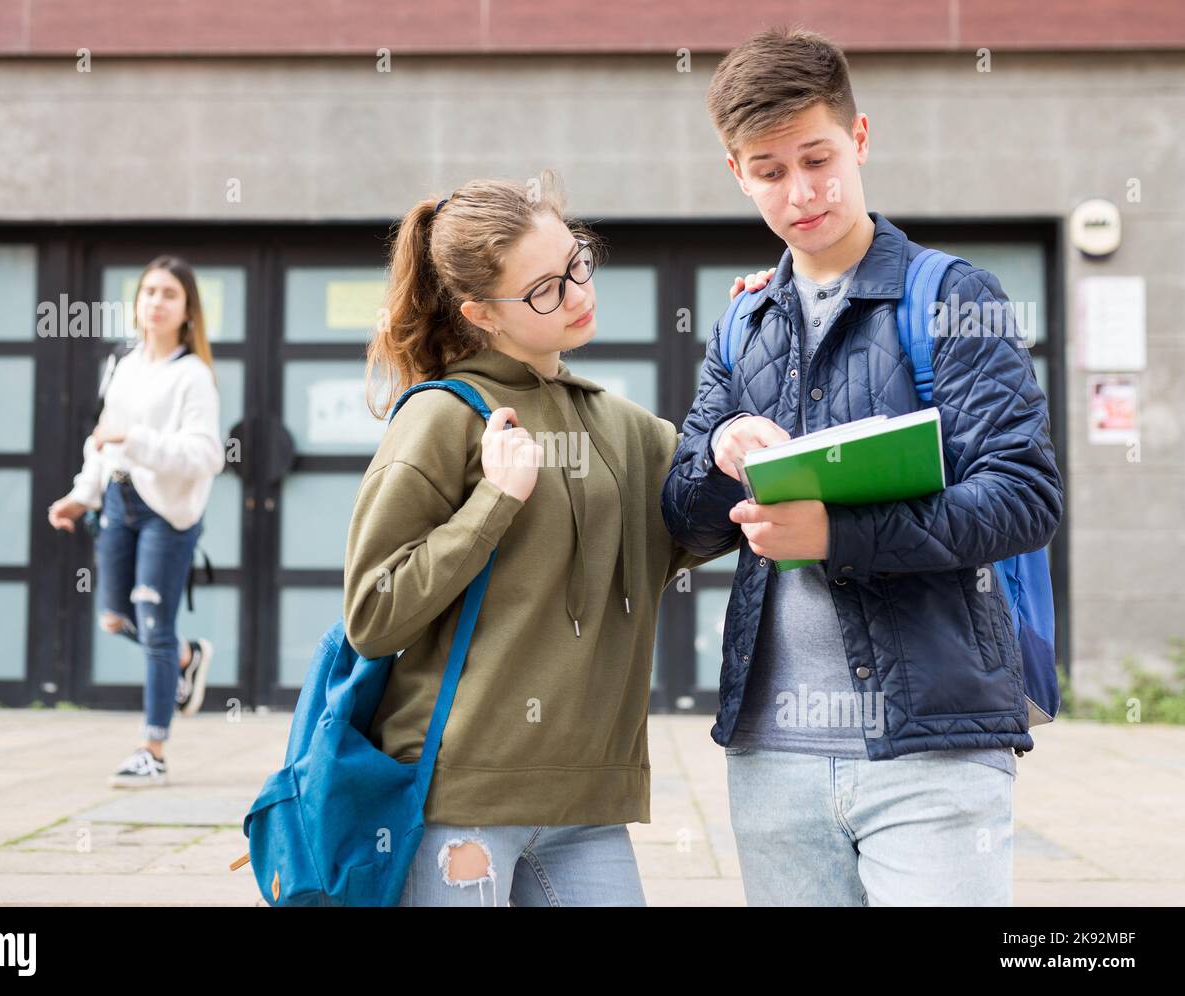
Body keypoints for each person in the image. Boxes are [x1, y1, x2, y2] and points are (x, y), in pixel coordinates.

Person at [661, 26, 1063, 906]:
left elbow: (1026, 495)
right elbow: (682, 521)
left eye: (818, 158)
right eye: (768, 172)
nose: (800, 193)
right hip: (773, 753)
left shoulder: (953, 297)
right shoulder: (744, 322)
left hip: (933, 745)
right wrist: (722, 455)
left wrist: (839, 534)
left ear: (862, 139)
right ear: (737, 173)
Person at [344, 171, 737, 906]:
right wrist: (493, 502)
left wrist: (757, 342)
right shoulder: (440, 418)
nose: (579, 294)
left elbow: (699, 521)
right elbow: (373, 614)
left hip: (588, 800)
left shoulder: (621, 426)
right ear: (480, 314)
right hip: (464, 799)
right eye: (545, 289)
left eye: (578, 263)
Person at [48, 256, 225, 788]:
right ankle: (189, 657)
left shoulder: (193, 376)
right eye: (148, 291)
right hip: (116, 508)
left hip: (165, 516)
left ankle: (153, 750)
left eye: (169, 294)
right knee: (111, 618)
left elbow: (206, 455)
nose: (156, 302)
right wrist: (82, 496)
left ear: (187, 309)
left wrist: (136, 441)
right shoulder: (121, 364)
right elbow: (102, 441)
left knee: (153, 629)